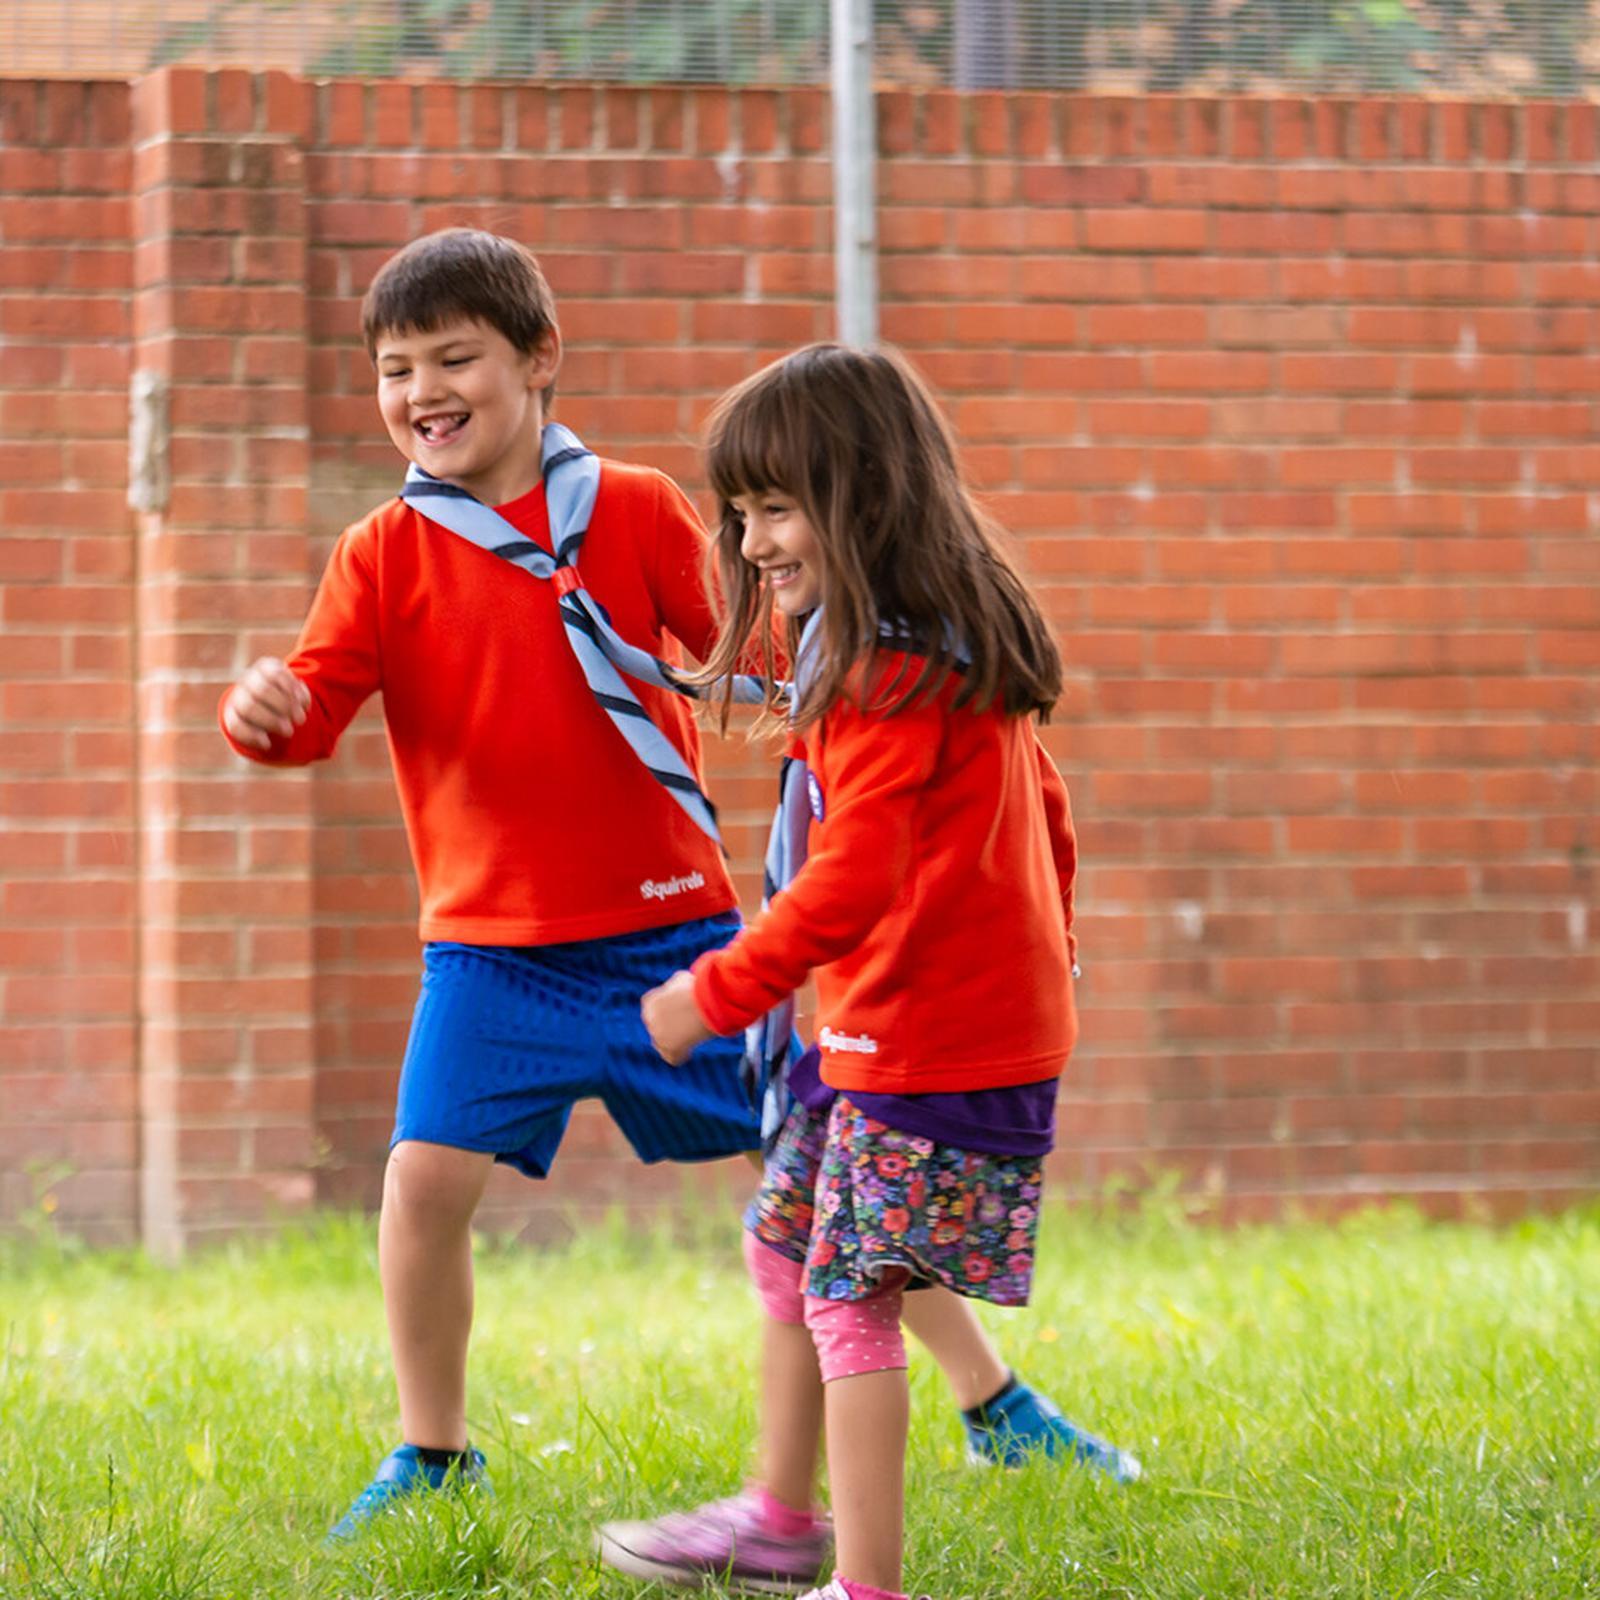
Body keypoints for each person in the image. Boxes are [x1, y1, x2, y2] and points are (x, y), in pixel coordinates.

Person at [218, 234, 1129, 1546]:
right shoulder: (382, 553)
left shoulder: (636, 510)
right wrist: (269, 713)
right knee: (420, 1185)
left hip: (675, 932)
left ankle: (992, 1399)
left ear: (539, 360)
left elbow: (774, 669)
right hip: (490, 958)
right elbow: (312, 717)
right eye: (396, 368)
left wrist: (889, 724)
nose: (423, 388)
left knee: (827, 1169)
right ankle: (434, 1445)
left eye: (454, 357)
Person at [599, 344, 1136, 1600]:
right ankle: (780, 1520)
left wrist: (713, 993)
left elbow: (852, 877)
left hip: (929, 1045)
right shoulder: (927, 641)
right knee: (789, 1245)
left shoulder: (890, 671)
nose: (750, 540)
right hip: (914, 1027)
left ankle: (865, 1584)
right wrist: (1049, 952)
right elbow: (1046, 811)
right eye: (740, 512)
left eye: (775, 508)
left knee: (850, 1298)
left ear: (866, 498)